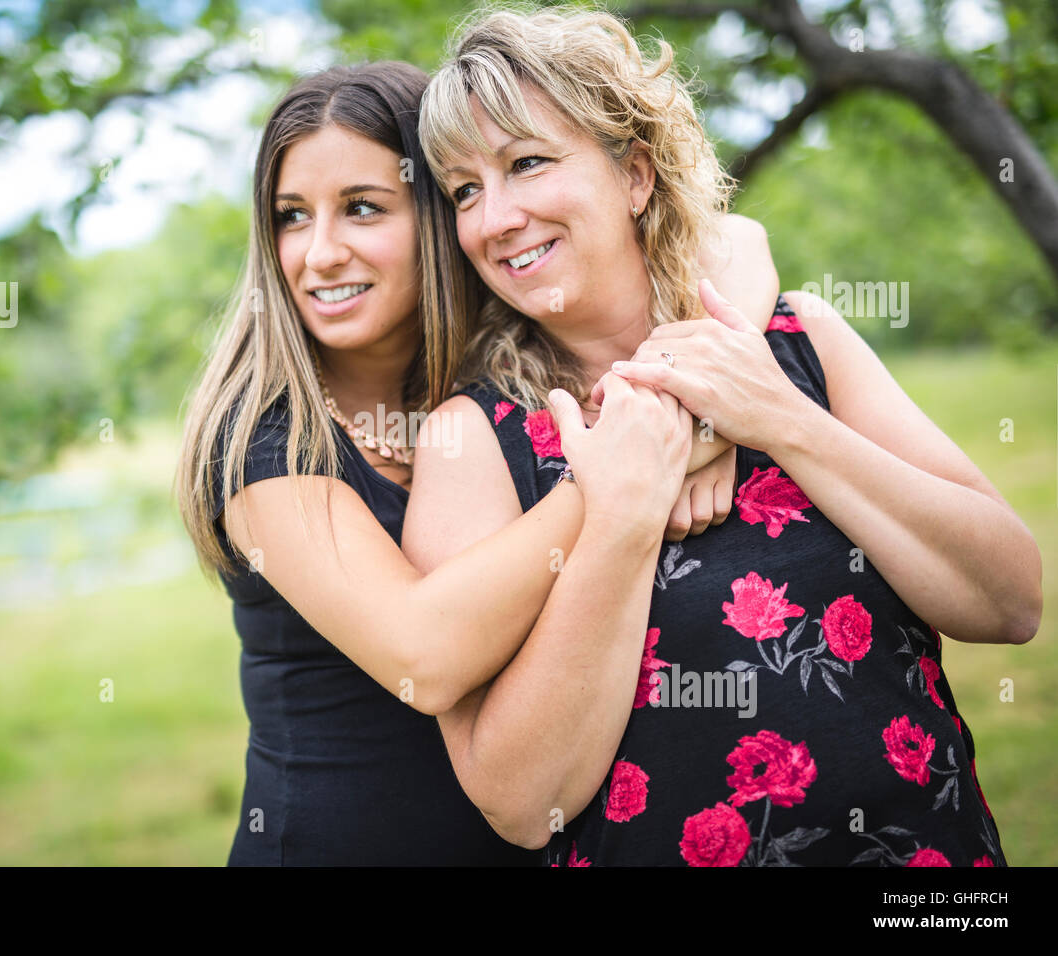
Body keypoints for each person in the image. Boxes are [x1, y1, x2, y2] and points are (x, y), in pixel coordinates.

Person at [408, 5, 1042, 865]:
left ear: (634, 176)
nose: (494, 219)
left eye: (527, 164)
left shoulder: (797, 341)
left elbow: (1011, 601)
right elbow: (524, 807)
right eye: (465, 190)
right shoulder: (474, 441)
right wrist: (624, 515)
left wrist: (778, 417)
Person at [176, 60, 780, 865]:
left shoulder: (497, 386)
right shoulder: (262, 440)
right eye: (291, 216)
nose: (319, 253)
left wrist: (699, 404)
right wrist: (636, 464)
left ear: (444, 214)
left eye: (361, 209)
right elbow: (422, 661)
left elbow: (734, 240)